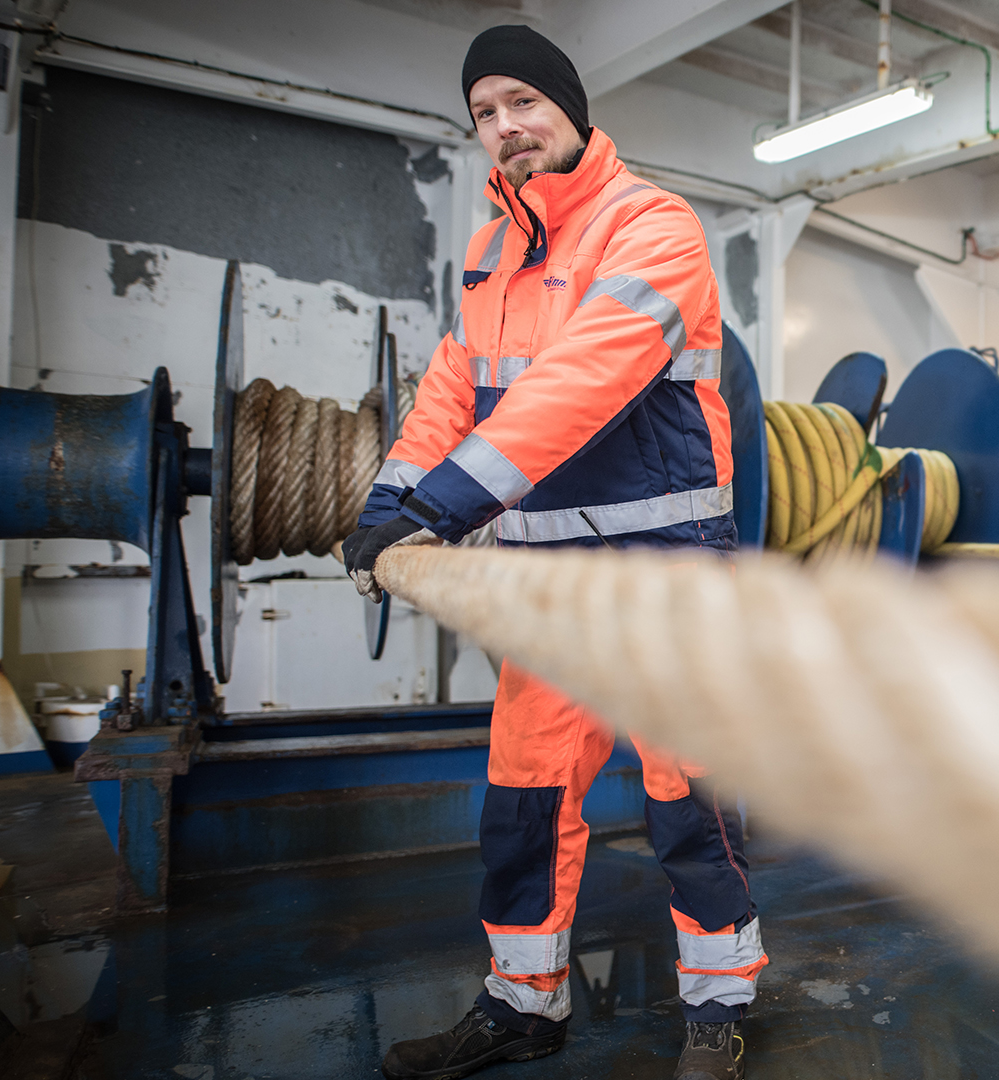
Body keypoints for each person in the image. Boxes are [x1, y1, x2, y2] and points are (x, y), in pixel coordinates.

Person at [342, 25, 761, 1080]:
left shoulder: (653, 226)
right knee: (523, 800)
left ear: (571, 108)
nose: (506, 127)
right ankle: (522, 1004)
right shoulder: (491, 251)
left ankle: (718, 1006)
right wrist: (388, 496)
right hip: (542, 583)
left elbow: (579, 384)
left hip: (663, 567)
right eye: (485, 112)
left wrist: (436, 509)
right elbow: (452, 387)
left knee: (688, 799)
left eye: (523, 101)